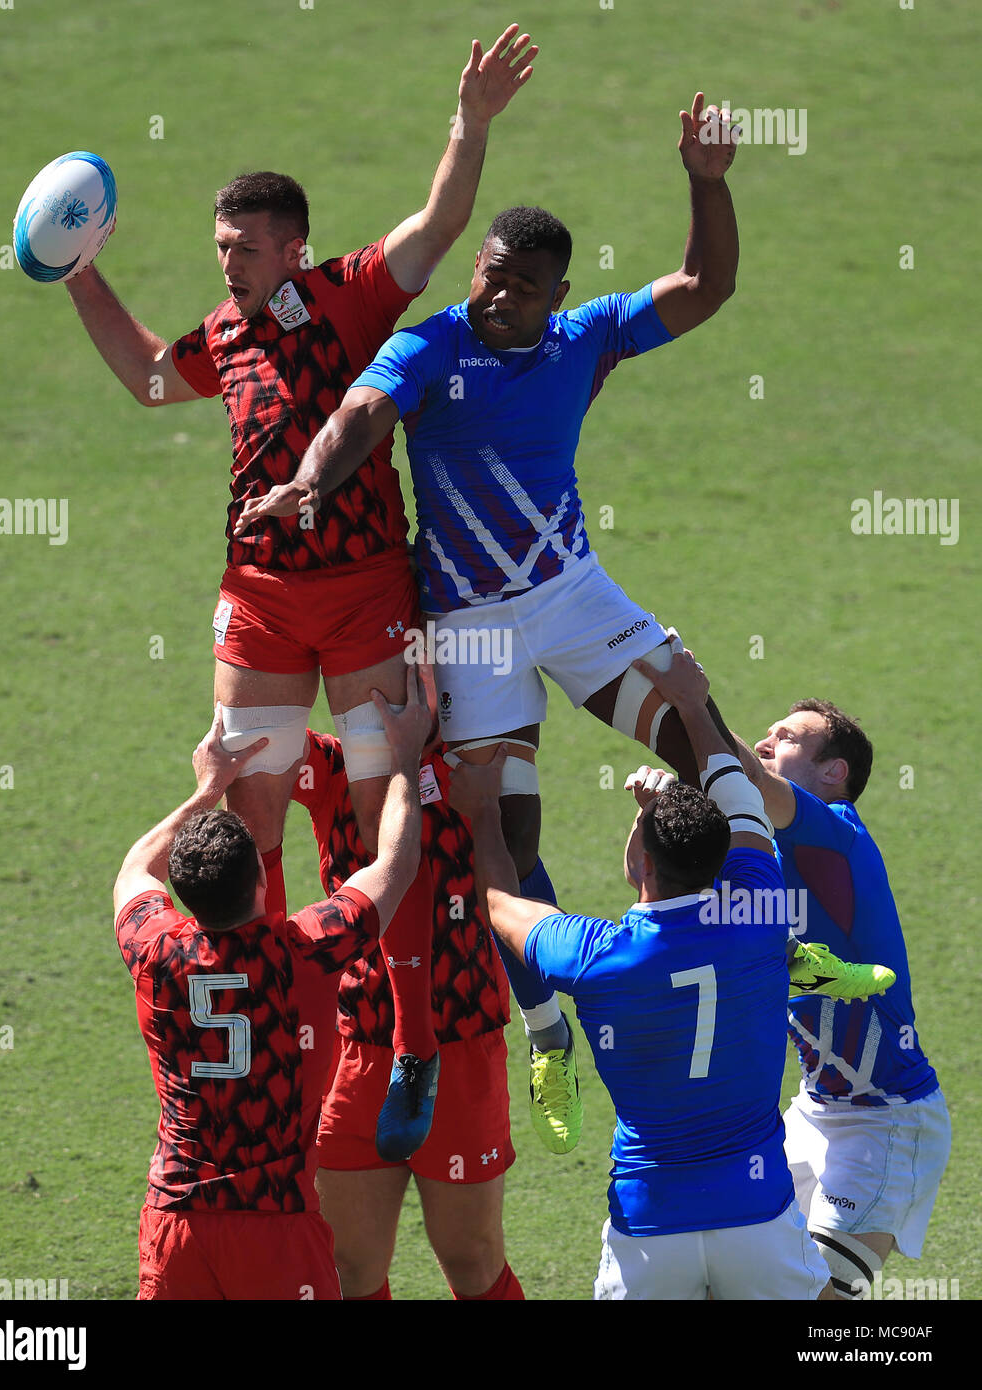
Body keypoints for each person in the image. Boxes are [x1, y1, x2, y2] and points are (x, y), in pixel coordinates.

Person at [236, 92, 743, 1150]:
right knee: (497, 836)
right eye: (488, 274)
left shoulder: (586, 339)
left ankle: (765, 935)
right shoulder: (433, 348)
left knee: (709, 740)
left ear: (557, 292)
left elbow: (705, 287)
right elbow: (362, 410)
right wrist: (318, 477)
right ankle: (551, 1028)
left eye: (520, 283)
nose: (497, 293)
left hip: (572, 599)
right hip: (467, 623)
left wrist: (706, 182)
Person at [71, 25, 540, 1157]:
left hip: (370, 587)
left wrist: (468, 125)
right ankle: (291, 1045)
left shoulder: (347, 297)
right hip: (262, 600)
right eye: (219, 242)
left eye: (243, 244)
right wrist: (81, 270)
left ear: (295, 245)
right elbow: (145, 377)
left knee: (399, 808)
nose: (226, 260)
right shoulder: (225, 335)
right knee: (250, 808)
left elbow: (436, 231)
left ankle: (416, 1041)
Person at [448, 646, 837, 1299]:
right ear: (722, 863)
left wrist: (481, 806)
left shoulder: (597, 955)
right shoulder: (762, 907)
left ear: (640, 868)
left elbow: (499, 901)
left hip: (650, 1233)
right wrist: (689, 702)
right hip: (761, 1221)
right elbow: (738, 799)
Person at [112, 671, 433, 1299]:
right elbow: (395, 864)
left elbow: (133, 866)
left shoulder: (157, 950)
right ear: (261, 883)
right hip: (275, 1228)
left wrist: (208, 789)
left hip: (177, 1224)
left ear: (184, 896)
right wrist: (403, 761)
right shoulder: (305, 950)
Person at [289, 685, 523, 1300]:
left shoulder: (478, 763)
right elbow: (248, 736)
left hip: (463, 1045)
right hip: (356, 1049)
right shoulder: (332, 766)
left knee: (472, 1260)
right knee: (347, 1267)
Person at [733, 702, 952, 1299]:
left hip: (887, 1119)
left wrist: (686, 696)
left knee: (819, 1304)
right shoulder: (765, 860)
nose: (767, 738)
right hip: (812, 1111)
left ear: (834, 772)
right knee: (737, 1275)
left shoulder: (836, 830)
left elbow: (747, 775)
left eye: (789, 735)